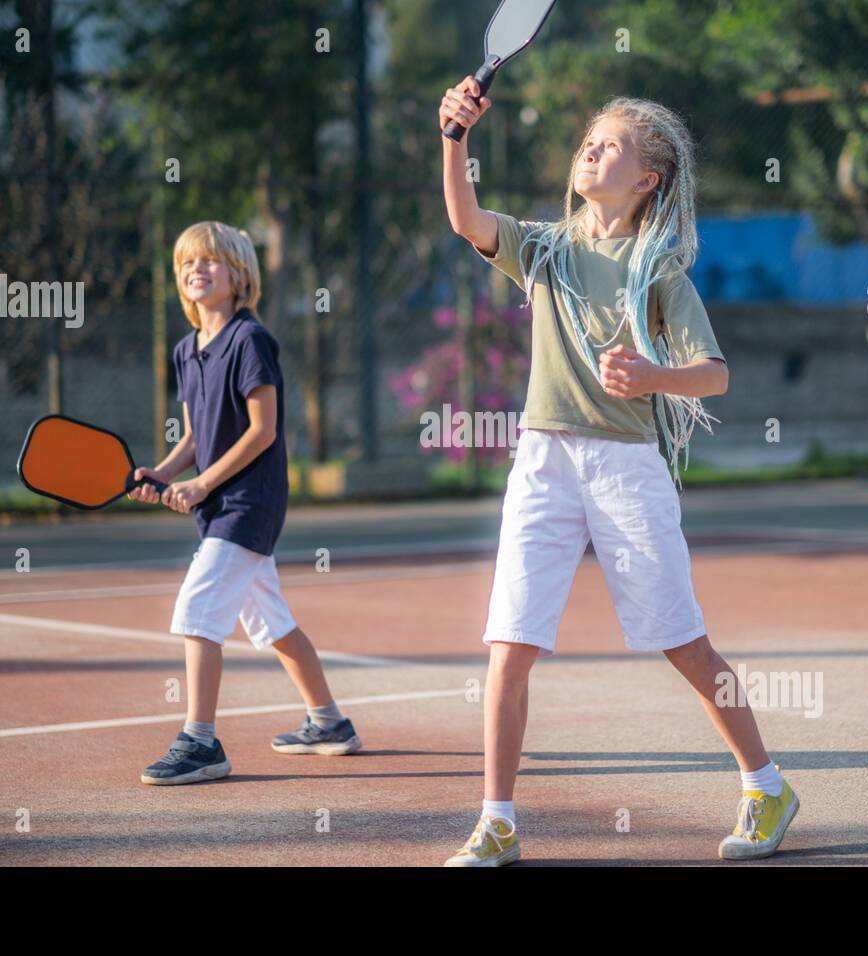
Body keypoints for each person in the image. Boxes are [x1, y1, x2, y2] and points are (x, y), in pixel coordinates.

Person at [437, 81, 799, 865]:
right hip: (542, 458)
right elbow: (465, 219)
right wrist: (454, 137)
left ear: (647, 182)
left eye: (610, 147)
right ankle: (496, 819)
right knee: (510, 642)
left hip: (626, 468)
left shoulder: (657, 267)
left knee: (684, 643)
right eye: (587, 143)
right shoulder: (544, 245)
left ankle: (766, 785)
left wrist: (652, 377)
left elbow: (713, 374)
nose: (589, 152)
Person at [130, 220, 361, 785]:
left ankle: (200, 741)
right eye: (187, 263)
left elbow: (261, 430)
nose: (196, 270)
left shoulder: (250, 339)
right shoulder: (187, 350)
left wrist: (203, 484)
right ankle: (329, 723)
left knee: (198, 608)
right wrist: (162, 473)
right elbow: (195, 434)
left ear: (240, 277)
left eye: (211, 261)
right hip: (218, 505)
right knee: (273, 623)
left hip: (250, 502)